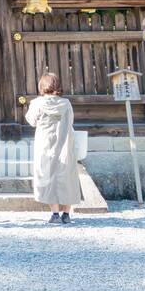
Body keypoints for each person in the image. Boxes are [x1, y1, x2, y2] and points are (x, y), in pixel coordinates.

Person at [25, 72, 84, 224]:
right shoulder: (66, 104)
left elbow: (31, 121)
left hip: (45, 143)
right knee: (67, 177)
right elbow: (70, 121)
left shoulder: (37, 103)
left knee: (48, 176)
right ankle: (67, 214)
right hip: (64, 142)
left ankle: (55, 213)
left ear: (42, 86)